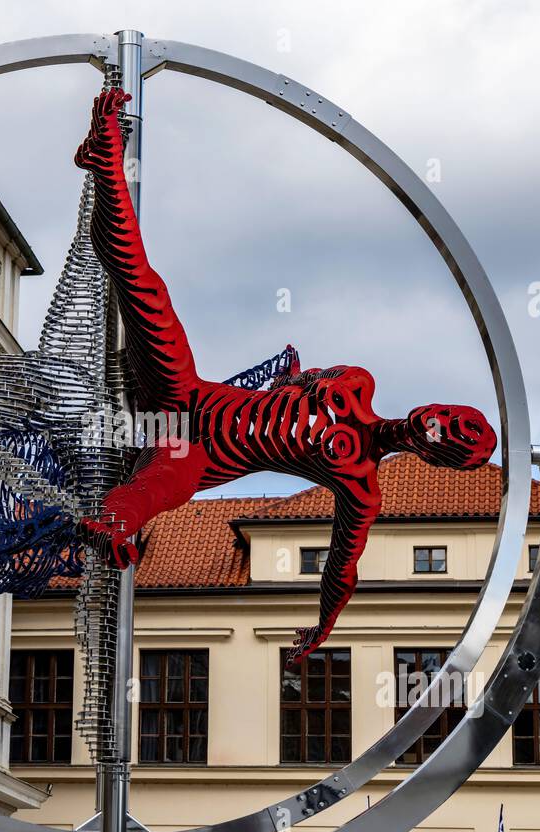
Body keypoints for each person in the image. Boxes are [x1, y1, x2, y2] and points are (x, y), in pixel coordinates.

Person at [74, 89, 498, 665]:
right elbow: (290, 386)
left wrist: (321, 629)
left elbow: (341, 569)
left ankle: (113, 520)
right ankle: (104, 163)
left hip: (194, 455)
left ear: (437, 459)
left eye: (451, 438)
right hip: (187, 396)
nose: (440, 424)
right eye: (454, 417)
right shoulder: (355, 382)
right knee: (143, 287)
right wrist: (294, 383)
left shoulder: (359, 485)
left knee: (156, 491)